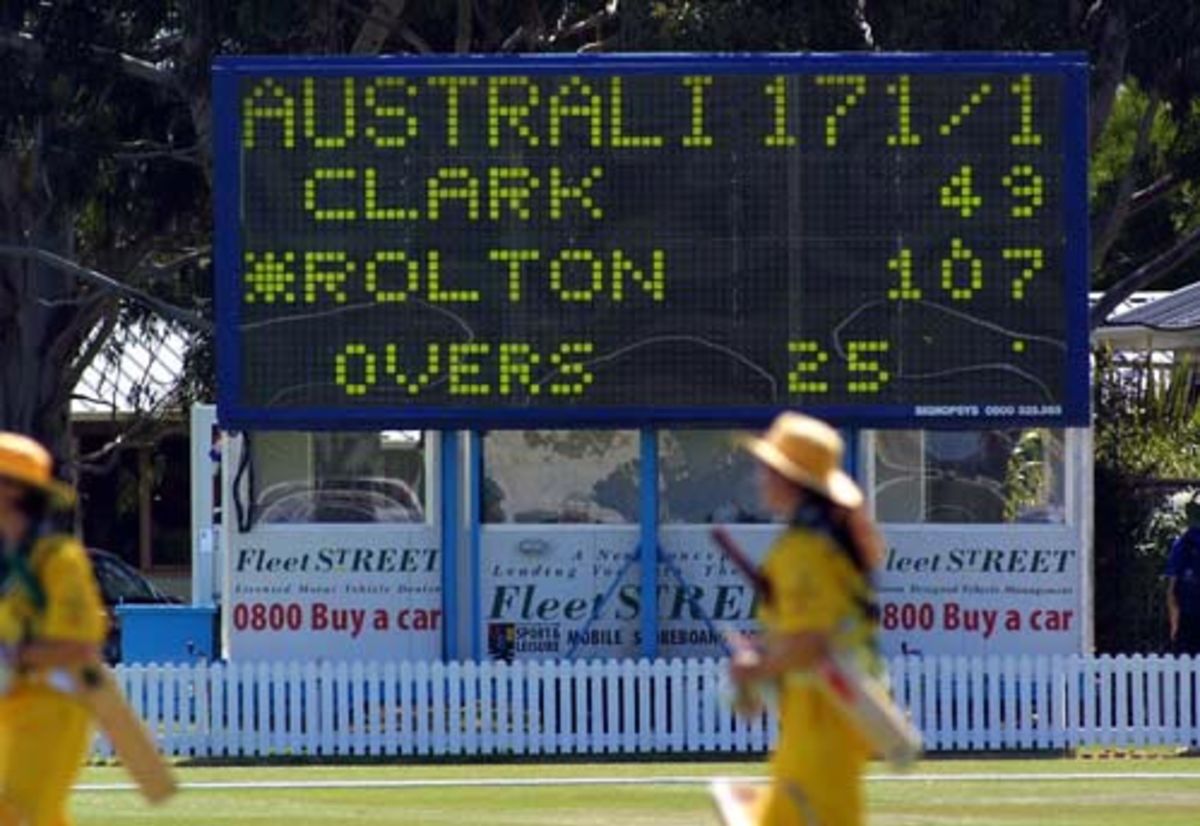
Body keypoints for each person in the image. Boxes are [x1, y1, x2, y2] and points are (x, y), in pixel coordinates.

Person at [727, 412, 883, 826]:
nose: (761, 478)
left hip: (818, 726)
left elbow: (812, 642)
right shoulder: (834, 544)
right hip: (826, 721)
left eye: (769, 468)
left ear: (788, 478)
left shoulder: (803, 551)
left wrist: (754, 666)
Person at [0, 432, 107, 826]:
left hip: (54, 707)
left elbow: (77, 648)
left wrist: (12, 655)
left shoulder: (59, 562)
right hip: (12, 709)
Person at [1166, 498, 1200, 655]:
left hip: (1187, 619)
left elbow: (1172, 591)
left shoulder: (1182, 544)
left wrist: (1175, 627)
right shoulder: (1183, 545)